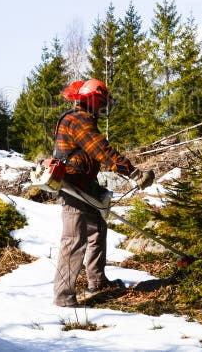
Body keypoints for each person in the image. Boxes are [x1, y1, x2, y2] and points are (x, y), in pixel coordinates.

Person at [52, 78, 153, 307]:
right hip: (72, 186)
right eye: (100, 102)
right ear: (91, 99)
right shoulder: (79, 121)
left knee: (97, 229)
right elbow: (102, 151)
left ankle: (96, 281)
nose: (102, 107)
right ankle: (63, 298)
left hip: (86, 185)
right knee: (74, 240)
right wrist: (134, 173)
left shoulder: (81, 118)